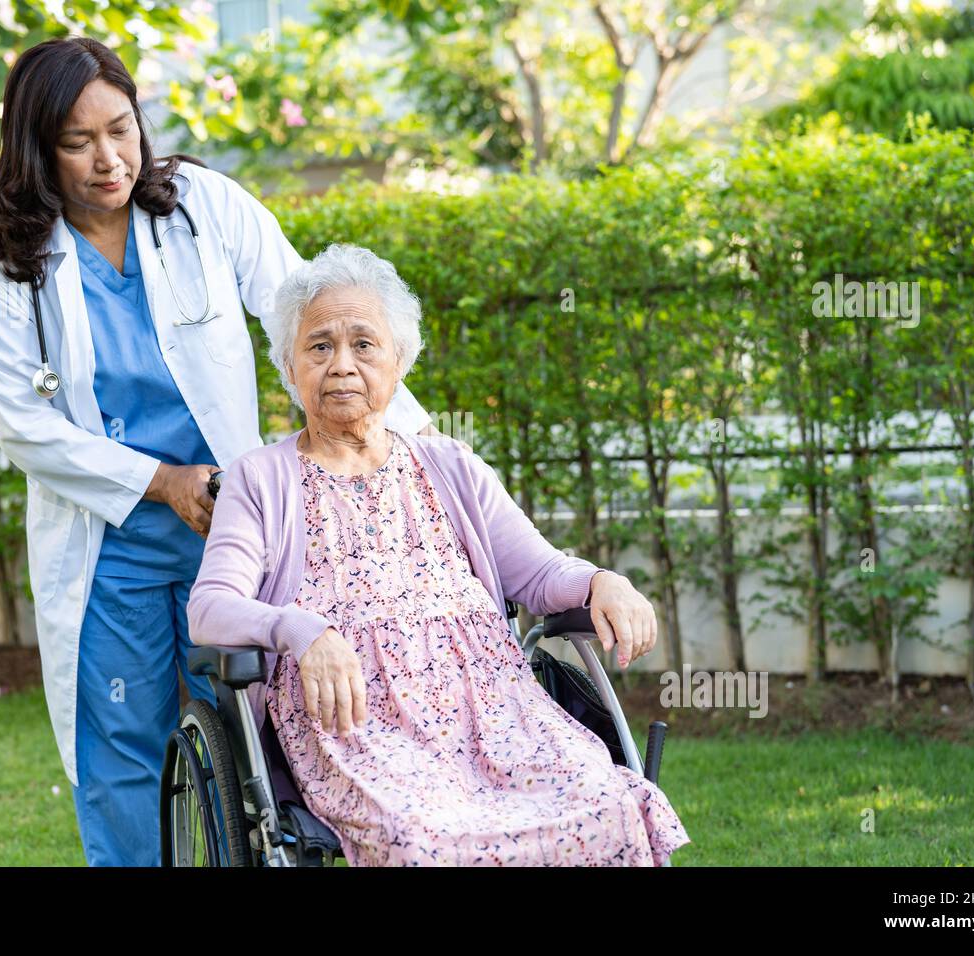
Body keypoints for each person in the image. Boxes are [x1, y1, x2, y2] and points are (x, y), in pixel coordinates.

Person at [0, 37, 437, 867]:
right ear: (37, 150)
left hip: (236, 528)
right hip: (109, 550)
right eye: (78, 143)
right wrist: (160, 481)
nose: (110, 159)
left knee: (259, 742)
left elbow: (307, 315)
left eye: (121, 129)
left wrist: (417, 445)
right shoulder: (10, 271)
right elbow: (24, 427)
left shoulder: (202, 208)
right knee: (125, 751)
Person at [188, 243, 691, 866]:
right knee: (424, 836)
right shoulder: (259, 478)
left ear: (401, 362)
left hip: (499, 714)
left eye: (363, 344)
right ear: (290, 368)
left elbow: (536, 571)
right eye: (319, 346)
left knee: (610, 802)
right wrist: (298, 629)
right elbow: (210, 608)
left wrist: (601, 582)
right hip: (357, 729)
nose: (341, 364)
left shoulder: (452, 466)